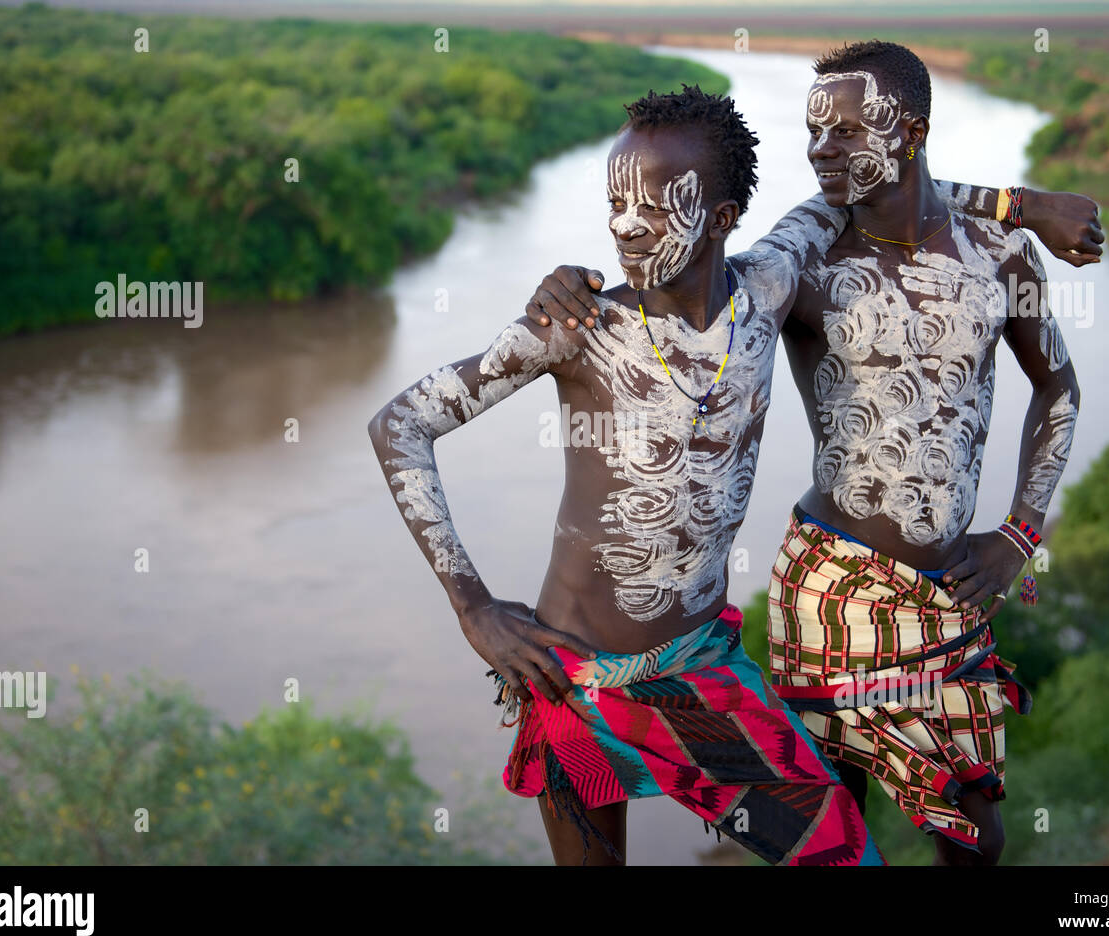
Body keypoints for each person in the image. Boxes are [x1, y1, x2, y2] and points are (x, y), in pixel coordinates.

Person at [527, 41, 1095, 865]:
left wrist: (1019, 536)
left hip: (956, 595)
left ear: (911, 130)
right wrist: (567, 295)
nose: (820, 150)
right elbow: (688, 280)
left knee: (976, 835)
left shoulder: (1003, 255)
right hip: (831, 588)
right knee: (836, 838)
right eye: (811, 133)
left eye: (844, 132)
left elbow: (1060, 390)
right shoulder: (803, 261)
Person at [371, 87, 886, 866]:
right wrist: (472, 608)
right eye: (615, 201)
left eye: (654, 205)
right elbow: (401, 425)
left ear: (721, 217)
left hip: (705, 673)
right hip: (575, 685)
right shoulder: (576, 329)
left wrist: (1022, 205)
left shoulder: (770, 288)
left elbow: (855, 187)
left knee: (838, 852)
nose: (625, 226)